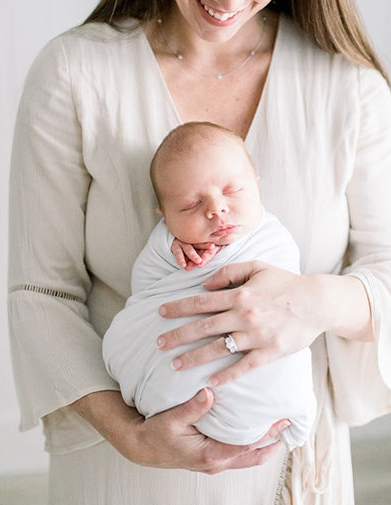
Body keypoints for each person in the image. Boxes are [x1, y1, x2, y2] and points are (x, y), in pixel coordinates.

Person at [8, 0, 391, 505]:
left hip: (292, 471)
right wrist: (132, 435)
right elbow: (40, 295)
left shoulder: (345, 87)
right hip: (126, 467)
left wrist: (307, 301)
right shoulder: (76, 75)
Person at [102, 121, 315, 451]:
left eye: (232, 191)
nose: (217, 209)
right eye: (190, 206)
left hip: (266, 398)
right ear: (164, 215)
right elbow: (145, 293)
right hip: (170, 404)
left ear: (256, 184)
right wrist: (167, 246)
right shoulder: (166, 245)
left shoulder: (271, 239)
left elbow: (288, 294)